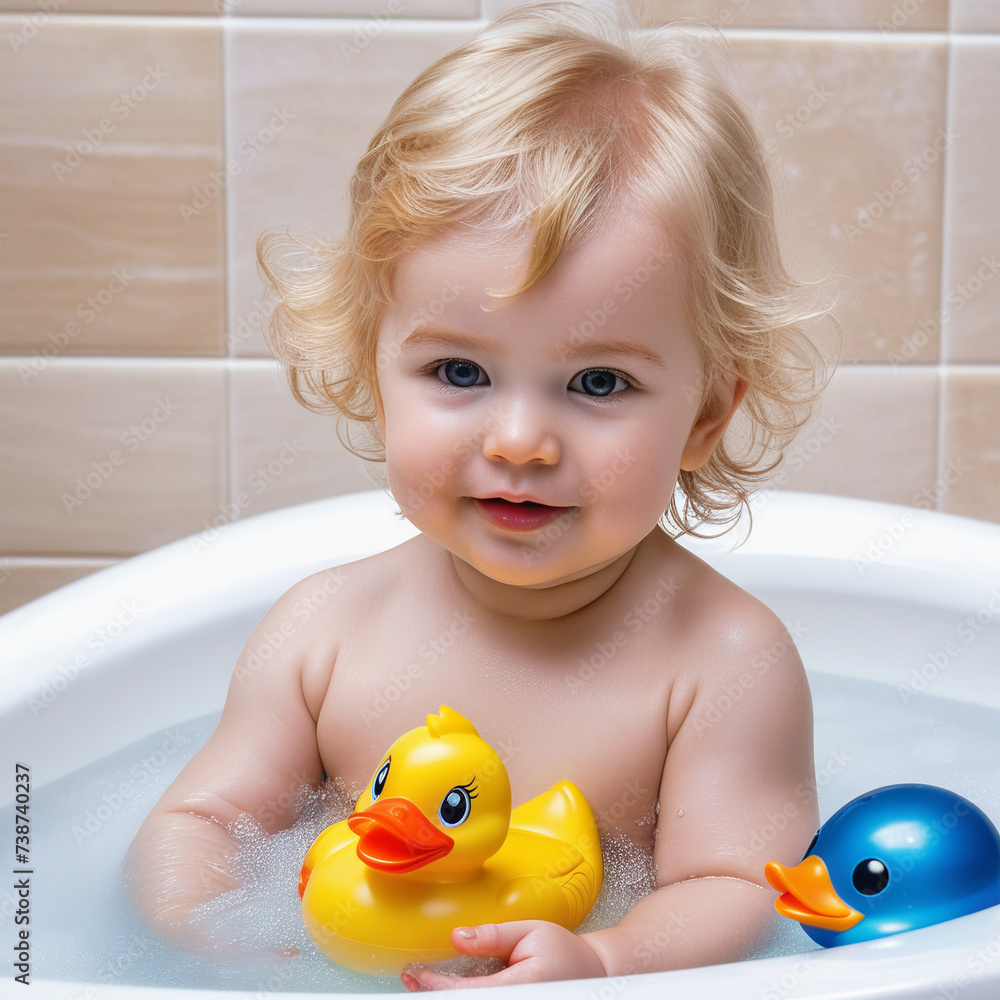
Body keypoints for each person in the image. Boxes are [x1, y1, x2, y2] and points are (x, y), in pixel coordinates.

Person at [128, 1, 834, 989]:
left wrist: (602, 956)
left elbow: (739, 882)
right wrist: (236, 944)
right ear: (375, 375)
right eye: (459, 372)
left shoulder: (722, 661)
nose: (519, 441)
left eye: (598, 383)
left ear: (708, 415)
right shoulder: (323, 630)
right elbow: (198, 821)